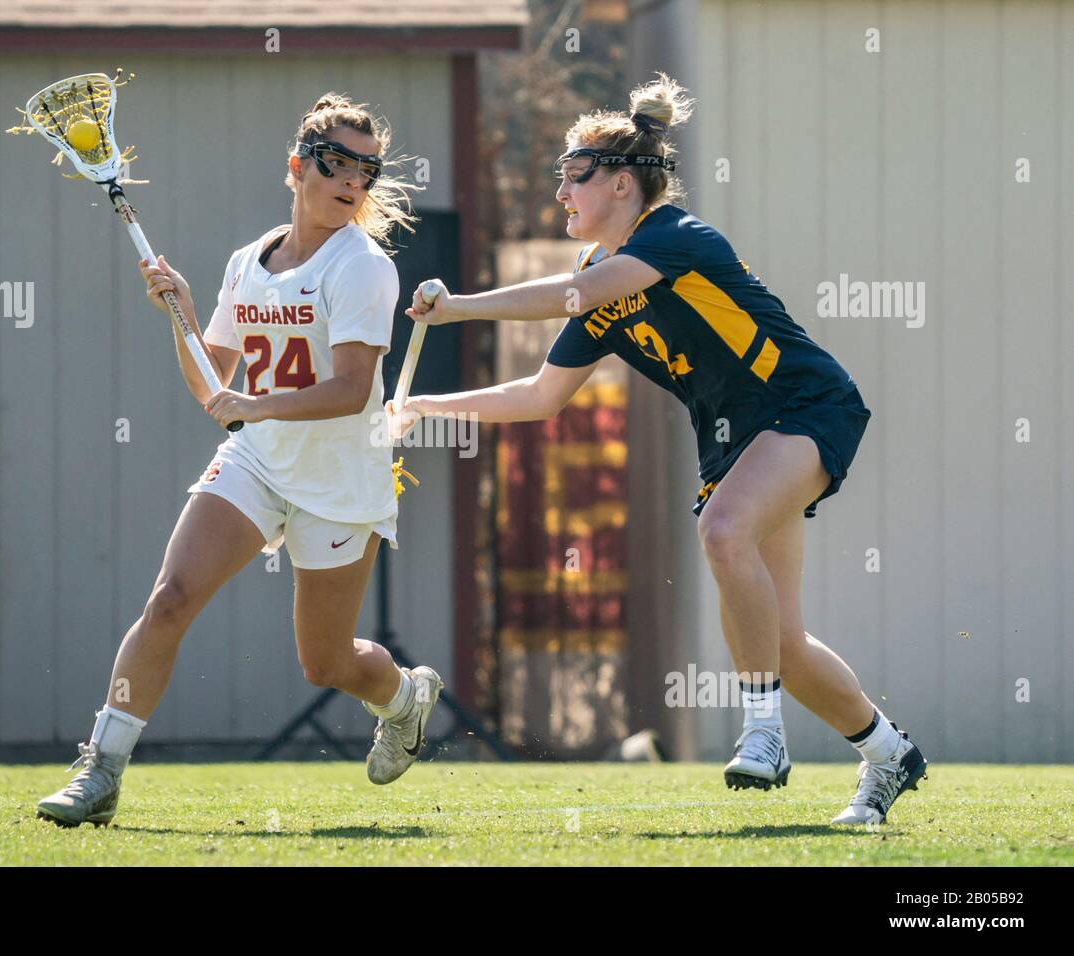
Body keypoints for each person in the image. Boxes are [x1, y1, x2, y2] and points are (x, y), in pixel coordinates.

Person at [391, 74, 926, 826]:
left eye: (571, 179)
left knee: (722, 530)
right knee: (785, 642)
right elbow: (540, 396)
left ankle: (764, 734)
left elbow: (574, 297)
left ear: (618, 183)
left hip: (805, 406)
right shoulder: (602, 281)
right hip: (738, 445)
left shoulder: (673, 236)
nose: (562, 196)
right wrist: (423, 404)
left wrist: (460, 309)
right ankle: (889, 754)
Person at [37, 93, 443, 827]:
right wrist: (183, 318)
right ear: (297, 166)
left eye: (366, 170)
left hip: (339, 482)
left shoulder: (365, 268)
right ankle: (100, 771)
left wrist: (252, 405)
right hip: (258, 461)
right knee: (170, 599)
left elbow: (351, 392)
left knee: (324, 665)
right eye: (335, 163)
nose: (351, 181)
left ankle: (406, 699)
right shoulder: (246, 262)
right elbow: (212, 384)